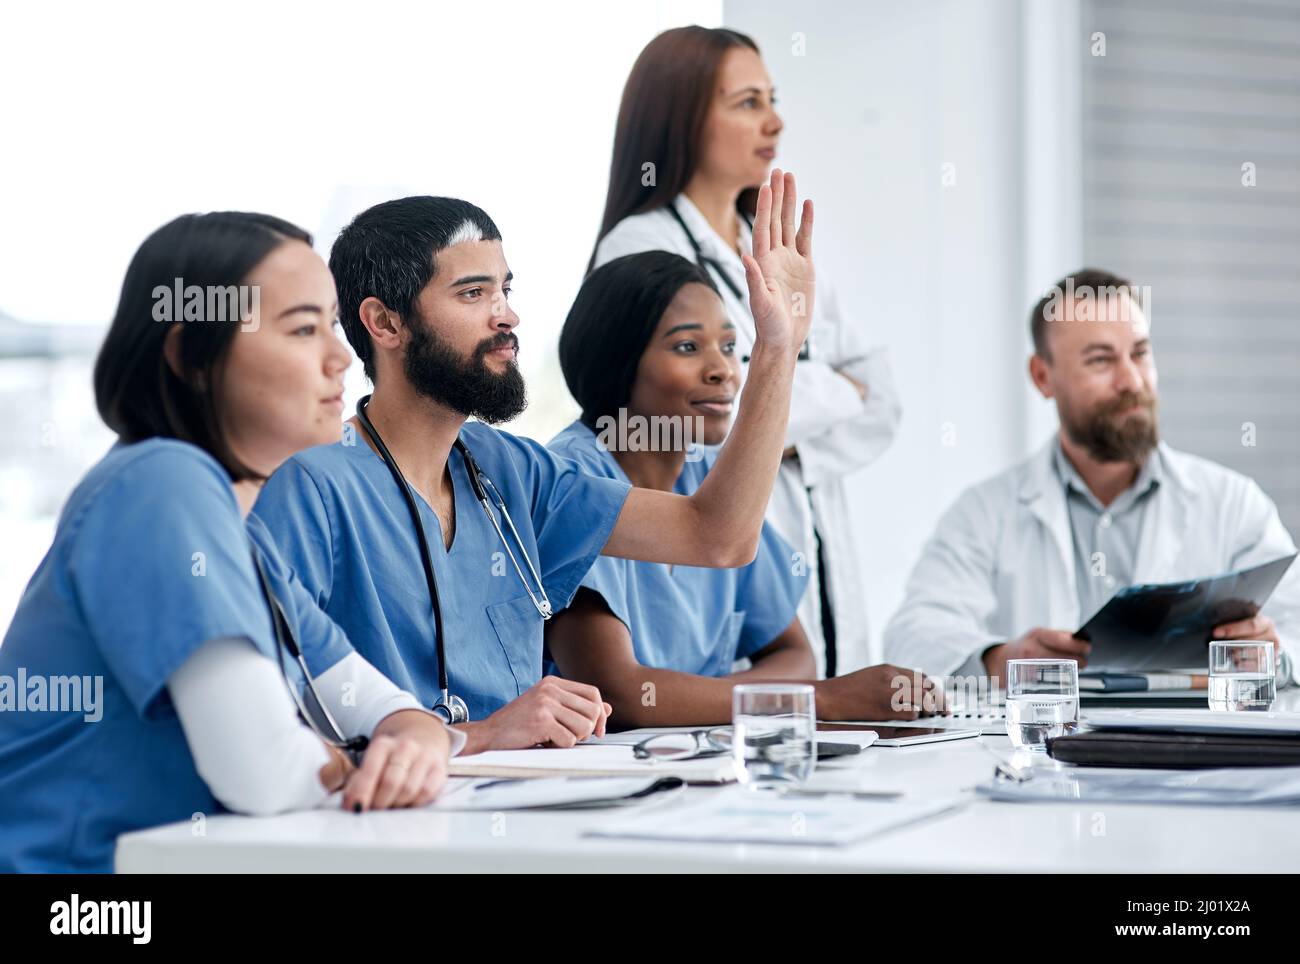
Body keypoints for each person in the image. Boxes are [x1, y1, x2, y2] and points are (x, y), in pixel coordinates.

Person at [252, 173, 816, 753]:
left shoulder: (512, 471)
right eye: (473, 294)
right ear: (386, 323)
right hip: (394, 825)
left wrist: (778, 346)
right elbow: (270, 728)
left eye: (505, 290)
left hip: (531, 809)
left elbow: (718, 537)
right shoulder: (314, 489)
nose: (507, 317)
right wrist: (483, 736)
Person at [0, 212, 458, 873]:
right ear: (191, 355)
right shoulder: (160, 484)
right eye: (304, 328)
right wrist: (360, 757)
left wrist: (415, 738)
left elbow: (383, 707)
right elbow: (265, 773)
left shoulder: (245, 543)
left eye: (333, 325)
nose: (341, 357)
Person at [590, 25, 901, 677]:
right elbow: (695, 421)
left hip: (814, 532)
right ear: (681, 117)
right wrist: (814, 393)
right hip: (721, 548)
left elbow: (883, 402)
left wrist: (776, 424)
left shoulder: (773, 238)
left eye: (773, 98)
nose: (776, 120)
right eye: (748, 102)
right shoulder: (640, 246)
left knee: (832, 706)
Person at [546, 251, 942, 726]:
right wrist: (814, 701)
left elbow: (796, 654)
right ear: (617, 360)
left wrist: (732, 699)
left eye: (731, 347)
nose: (724, 371)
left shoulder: (713, 475)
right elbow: (622, 693)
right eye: (688, 348)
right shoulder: (569, 478)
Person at [883, 269, 1300, 683]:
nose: (1131, 381)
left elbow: (1294, 627)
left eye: (1140, 353)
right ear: (1043, 377)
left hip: (1191, 747)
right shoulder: (983, 514)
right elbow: (913, 637)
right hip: (1037, 748)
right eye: (1101, 360)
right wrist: (1001, 659)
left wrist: (1270, 652)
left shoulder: (1233, 504)